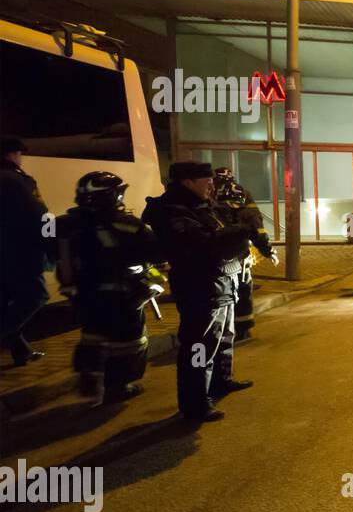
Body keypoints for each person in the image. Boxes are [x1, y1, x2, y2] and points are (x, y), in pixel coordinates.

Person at [142, 161, 254, 422]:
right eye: (206, 181)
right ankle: (195, 404)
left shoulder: (201, 206)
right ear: (187, 182)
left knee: (224, 337)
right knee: (199, 346)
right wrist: (238, 234)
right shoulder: (174, 212)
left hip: (221, 282)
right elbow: (205, 246)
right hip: (198, 285)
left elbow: (220, 235)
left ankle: (221, 382)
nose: (212, 185)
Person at [55, 172, 167, 403]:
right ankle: (119, 386)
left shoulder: (66, 223)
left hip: (83, 292)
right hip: (125, 292)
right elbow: (156, 253)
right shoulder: (128, 224)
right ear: (110, 195)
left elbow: (48, 246)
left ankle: (89, 373)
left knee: (92, 334)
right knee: (128, 340)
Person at [0, 136, 52, 365]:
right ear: (11, 154)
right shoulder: (17, 180)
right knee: (36, 295)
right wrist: (50, 241)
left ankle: (22, 351)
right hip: (20, 249)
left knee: (4, 300)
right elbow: (39, 214)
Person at [212, 167, 278, 341]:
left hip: (214, 254)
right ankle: (242, 329)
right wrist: (267, 250)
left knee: (219, 293)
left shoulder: (206, 194)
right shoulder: (241, 193)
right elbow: (256, 224)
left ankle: (222, 329)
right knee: (242, 289)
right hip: (238, 252)